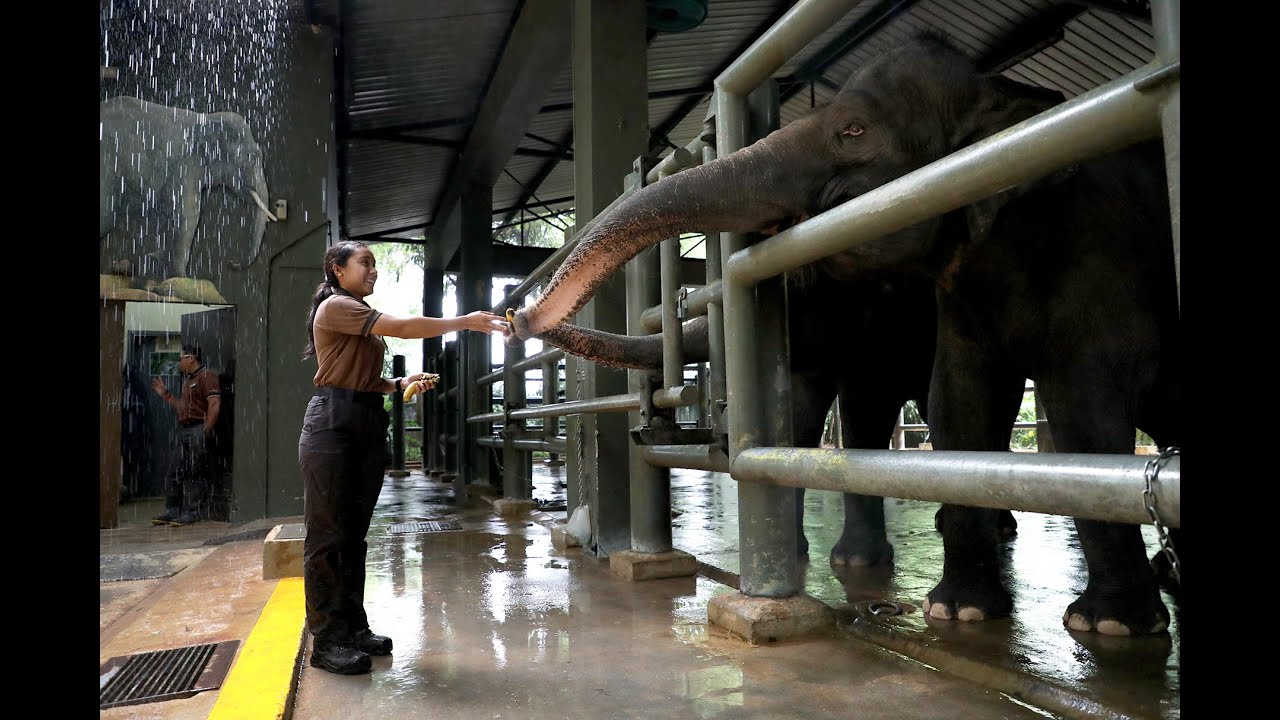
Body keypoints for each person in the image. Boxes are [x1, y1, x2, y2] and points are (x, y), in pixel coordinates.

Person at [298, 239, 509, 675]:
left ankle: (353, 628)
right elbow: (406, 327)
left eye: (375, 263)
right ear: (337, 269)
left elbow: (364, 379)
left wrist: (399, 383)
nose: (372, 270)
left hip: (364, 420)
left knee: (354, 535)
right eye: (365, 263)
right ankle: (326, 640)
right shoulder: (335, 306)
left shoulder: (354, 311)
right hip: (332, 425)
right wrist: (466, 320)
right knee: (327, 537)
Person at [150, 343, 221, 526]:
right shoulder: (188, 381)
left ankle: (192, 512)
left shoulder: (207, 376)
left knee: (196, 471)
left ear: (191, 358)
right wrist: (165, 394)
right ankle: (172, 510)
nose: (179, 362)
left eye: (181, 358)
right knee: (175, 470)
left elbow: (214, 404)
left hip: (198, 428)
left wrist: (207, 428)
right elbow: (182, 408)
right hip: (184, 430)